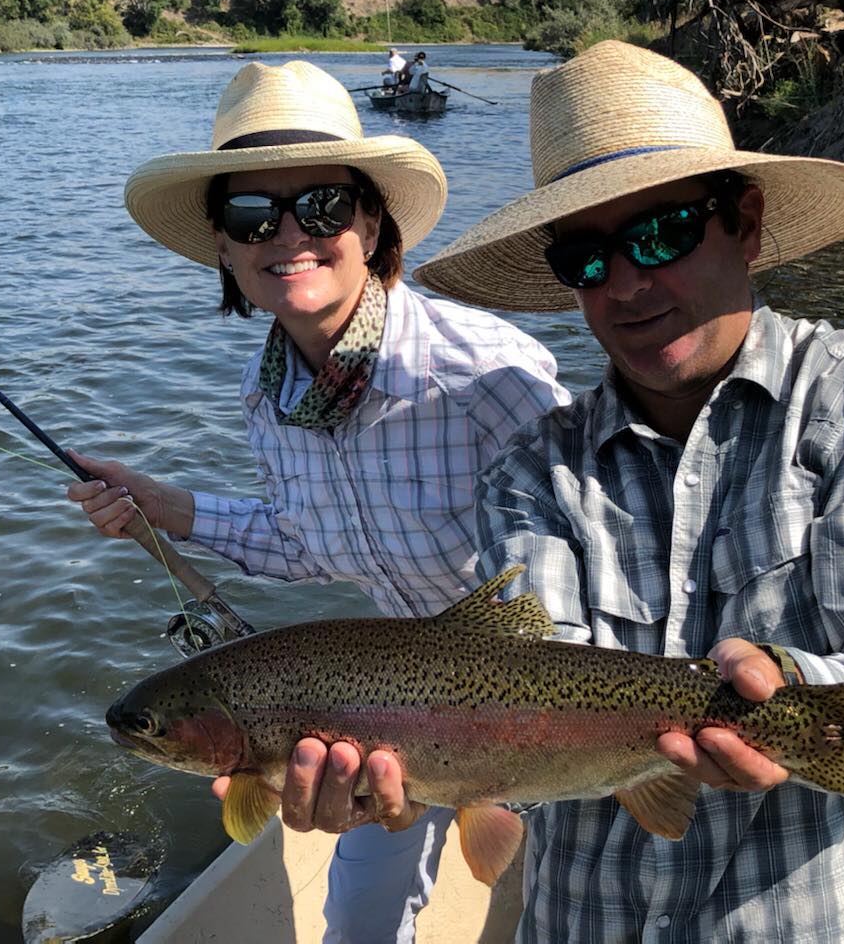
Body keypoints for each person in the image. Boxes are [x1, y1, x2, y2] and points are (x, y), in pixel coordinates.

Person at [409, 41, 844, 940]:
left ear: (745, 222)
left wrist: (788, 698)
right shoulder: (531, 470)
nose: (625, 284)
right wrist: (424, 769)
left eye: (659, 234)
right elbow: (532, 699)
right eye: (586, 258)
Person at [66, 60, 568, 942]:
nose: (290, 233)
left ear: (373, 223)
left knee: (567, 912)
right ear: (224, 244)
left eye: (325, 206)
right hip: (379, 715)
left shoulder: (488, 374)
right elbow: (313, 544)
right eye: (253, 214)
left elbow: (601, 556)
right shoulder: (271, 400)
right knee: (358, 922)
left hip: (537, 697)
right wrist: (166, 508)